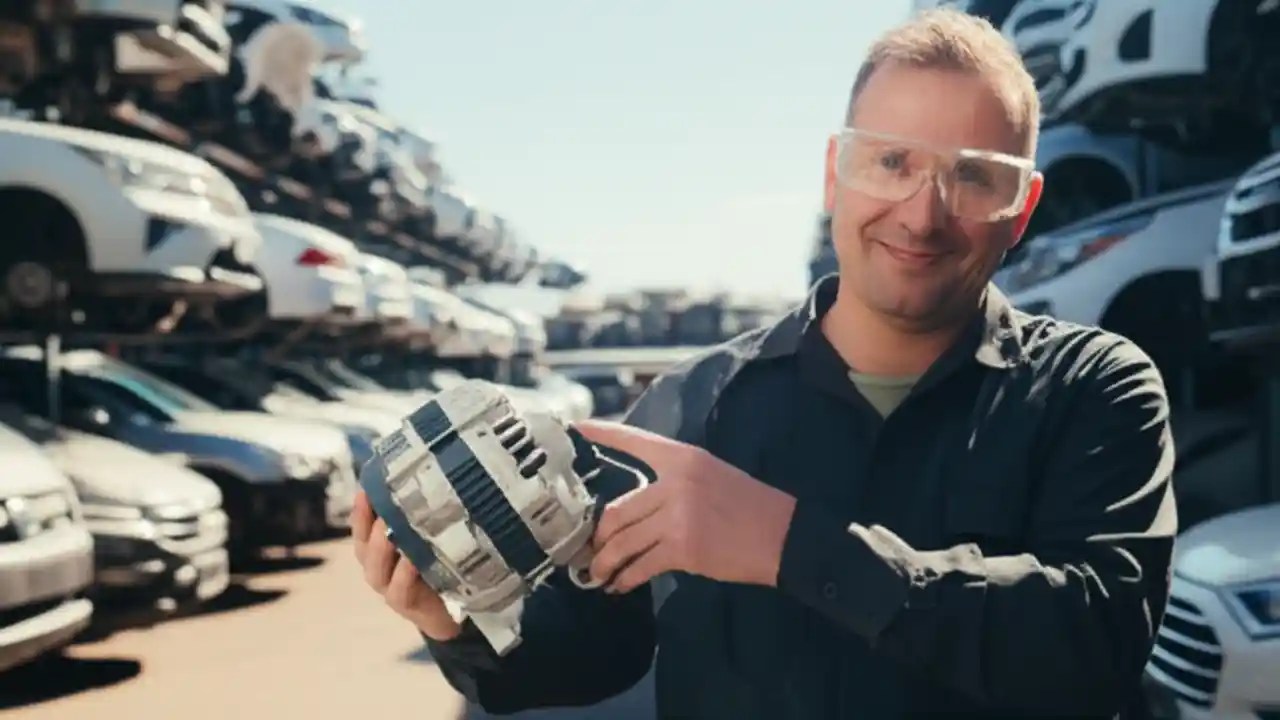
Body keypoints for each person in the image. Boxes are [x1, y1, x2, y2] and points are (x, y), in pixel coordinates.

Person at [351, 8, 1176, 719]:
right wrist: (451, 622)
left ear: (1022, 209)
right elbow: (594, 654)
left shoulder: (1095, 388)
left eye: (973, 178)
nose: (922, 215)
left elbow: (1094, 650)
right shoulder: (691, 406)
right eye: (892, 162)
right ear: (835, 172)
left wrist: (783, 542)